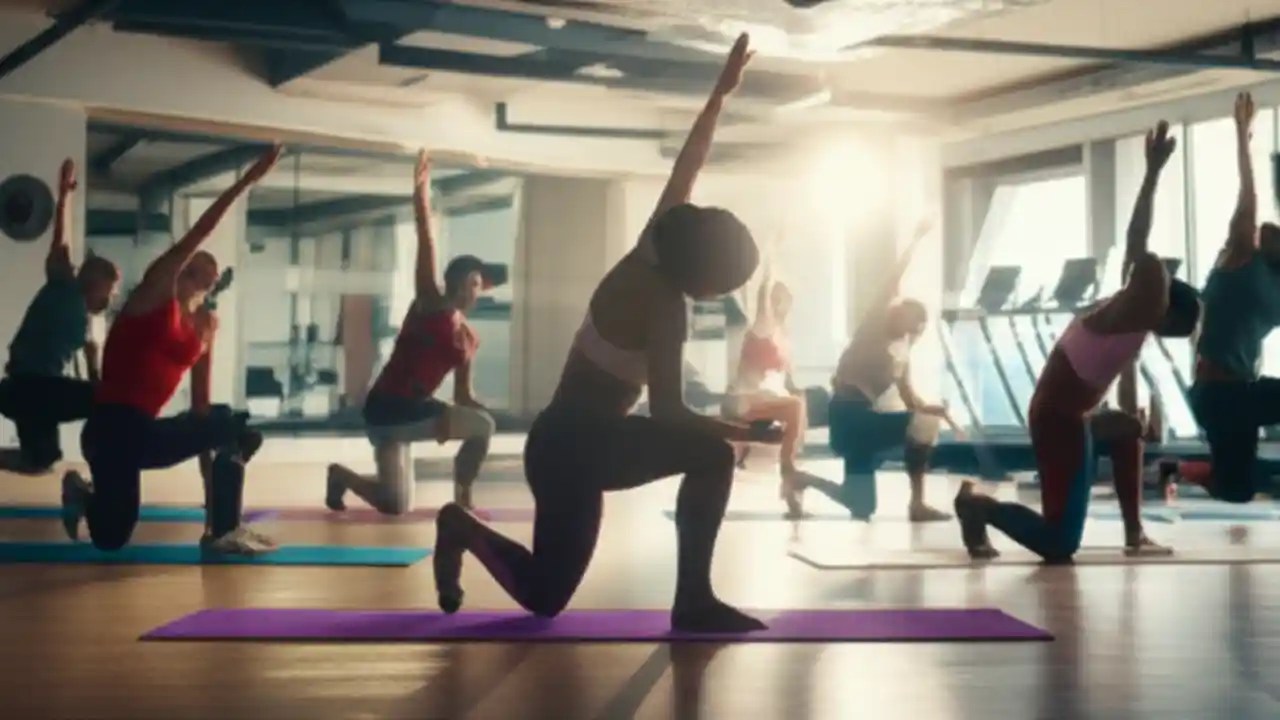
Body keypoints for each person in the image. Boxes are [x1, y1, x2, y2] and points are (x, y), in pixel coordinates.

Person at [431, 34, 775, 633]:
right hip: (576, 448)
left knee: (546, 596)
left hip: (568, 440)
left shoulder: (652, 250)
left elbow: (686, 168)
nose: (722, 298)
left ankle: (459, 526)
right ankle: (692, 600)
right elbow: (669, 414)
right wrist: (746, 432)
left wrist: (720, 95)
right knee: (713, 454)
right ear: (703, 276)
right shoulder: (665, 305)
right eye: (724, 286)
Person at [954, 121, 1199, 562]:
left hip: (1079, 415)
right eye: (1170, 330)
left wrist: (1132, 411)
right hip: (1056, 421)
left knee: (1128, 429)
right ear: (1164, 309)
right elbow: (1137, 238)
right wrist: (1153, 171)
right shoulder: (1139, 301)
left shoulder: (1133, 318)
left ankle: (1134, 534)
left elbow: (1121, 369)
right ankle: (977, 506)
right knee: (1059, 545)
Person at [61, 146, 283, 554]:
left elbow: (200, 412)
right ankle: (81, 491)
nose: (202, 283)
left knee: (231, 426)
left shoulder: (202, 329)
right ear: (185, 268)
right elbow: (199, 231)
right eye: (197, 272)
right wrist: (246, 182)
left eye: (210, 281)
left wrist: (211, 516)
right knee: (110, 538)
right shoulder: (154, 293)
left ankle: (223, 531)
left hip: (143, 431)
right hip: (111, 429)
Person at [326, 150, 499, 516]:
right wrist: (421, 191)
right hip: (386, 409)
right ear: (457, 281)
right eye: (474, 282)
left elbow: (464, 395)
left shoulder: (469, 339)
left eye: (480, 286)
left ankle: (340, 476)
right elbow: (426, 239)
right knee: (481, 427)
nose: (477, 291)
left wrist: (491, 411)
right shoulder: (430, 303)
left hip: (415, 413)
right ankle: (463, 502)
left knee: (395, 504)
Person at [818, 220, 960, 522]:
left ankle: (915, 504)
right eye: (912, 320)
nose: (915, 328)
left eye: (919, 325)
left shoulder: (902, 351)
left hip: (867, 421)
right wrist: (916, 240)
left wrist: (930, 409)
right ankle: (802, 481)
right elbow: (891, 279)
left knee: (861, 506)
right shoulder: (873, 328)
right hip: (848, 419)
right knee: (921, 427)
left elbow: (909, 398)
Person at [1186, 92, 1280, 504]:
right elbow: (1248, 197)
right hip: (1217, 393)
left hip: (1240, 393)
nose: (1267, 228)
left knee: (1238, 492)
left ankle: (1189, 470)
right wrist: (1243, 134)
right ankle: (1189, 469)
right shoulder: (1242, 254)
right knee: (1236, 488)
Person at [0, 160, 118, 477]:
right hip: (30, 388)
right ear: (94, 284)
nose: (109, 300)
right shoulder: (64, 284)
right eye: (109, 291)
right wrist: (64, 197)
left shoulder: (70, 298)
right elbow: (60, 243)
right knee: (107, 400)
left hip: (25, 394)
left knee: (41, 461)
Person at [726, 268, 808, 517]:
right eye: (777, 298)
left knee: (799, 404)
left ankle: (791, 480)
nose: (781, 303)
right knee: (795, 406)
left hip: (768, 400)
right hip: (746, 401)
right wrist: (772, 253)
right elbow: (763, 292)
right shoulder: (763, 326)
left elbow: (784, 378)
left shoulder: (783, 336)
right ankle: (788, 473)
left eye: (785, 298)